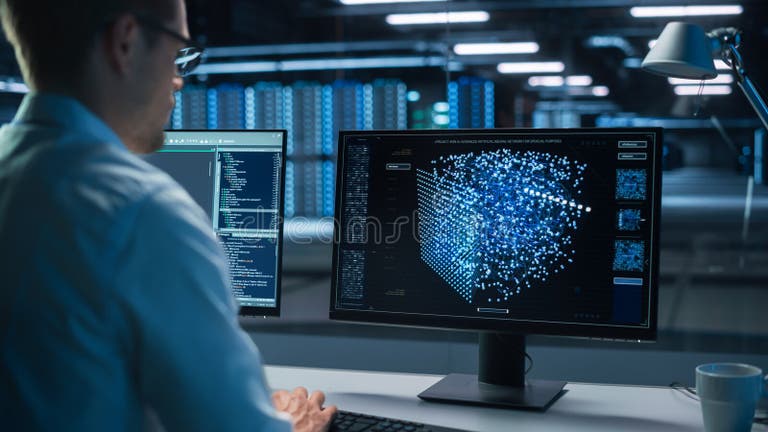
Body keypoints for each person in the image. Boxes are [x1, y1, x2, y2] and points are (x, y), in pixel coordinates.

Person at [0, 0, 337, 430]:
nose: (179, 78)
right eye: (178, 48)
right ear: (125, 42)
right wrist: (296, 426)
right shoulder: (143, 213)